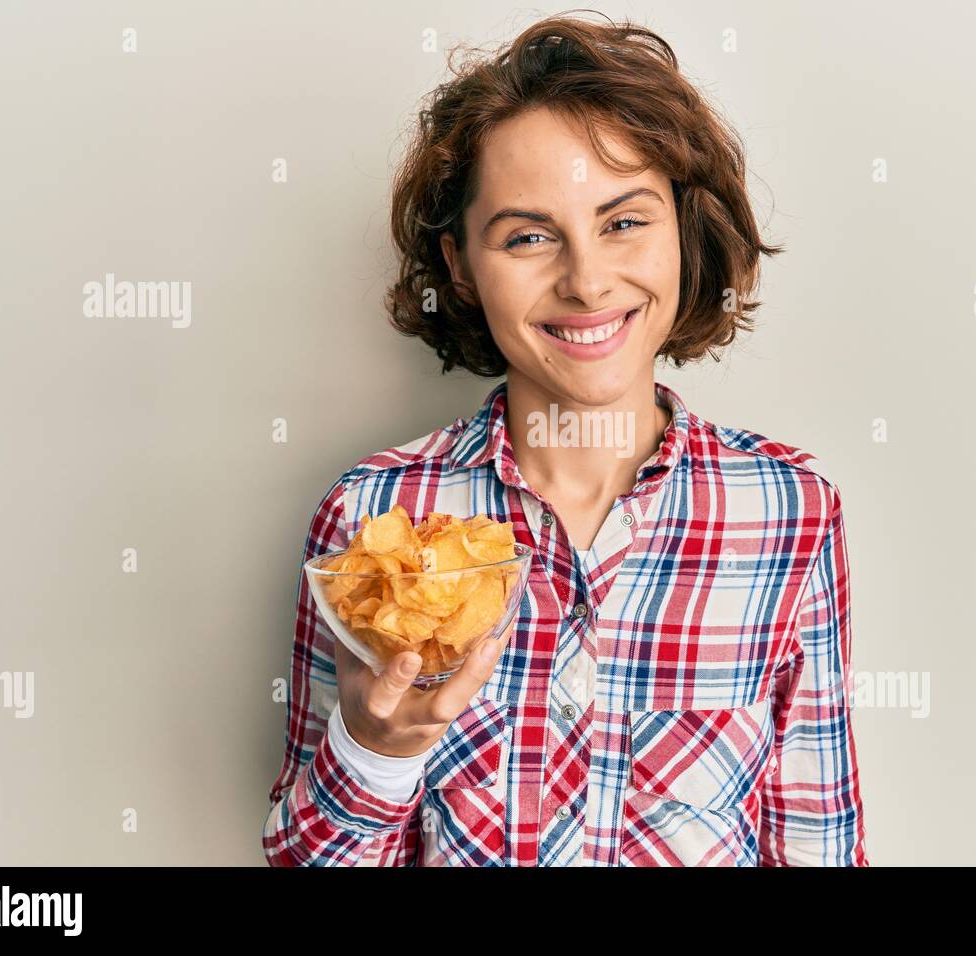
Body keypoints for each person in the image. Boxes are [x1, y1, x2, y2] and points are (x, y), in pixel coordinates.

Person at [263, 13, 868, 867]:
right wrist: (374, 745)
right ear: (464, 266)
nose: (586, 281)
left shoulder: (790, 513)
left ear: (684, 235)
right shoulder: (370, 521)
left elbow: (819, 846)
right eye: (529, 237)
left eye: (624, 222)